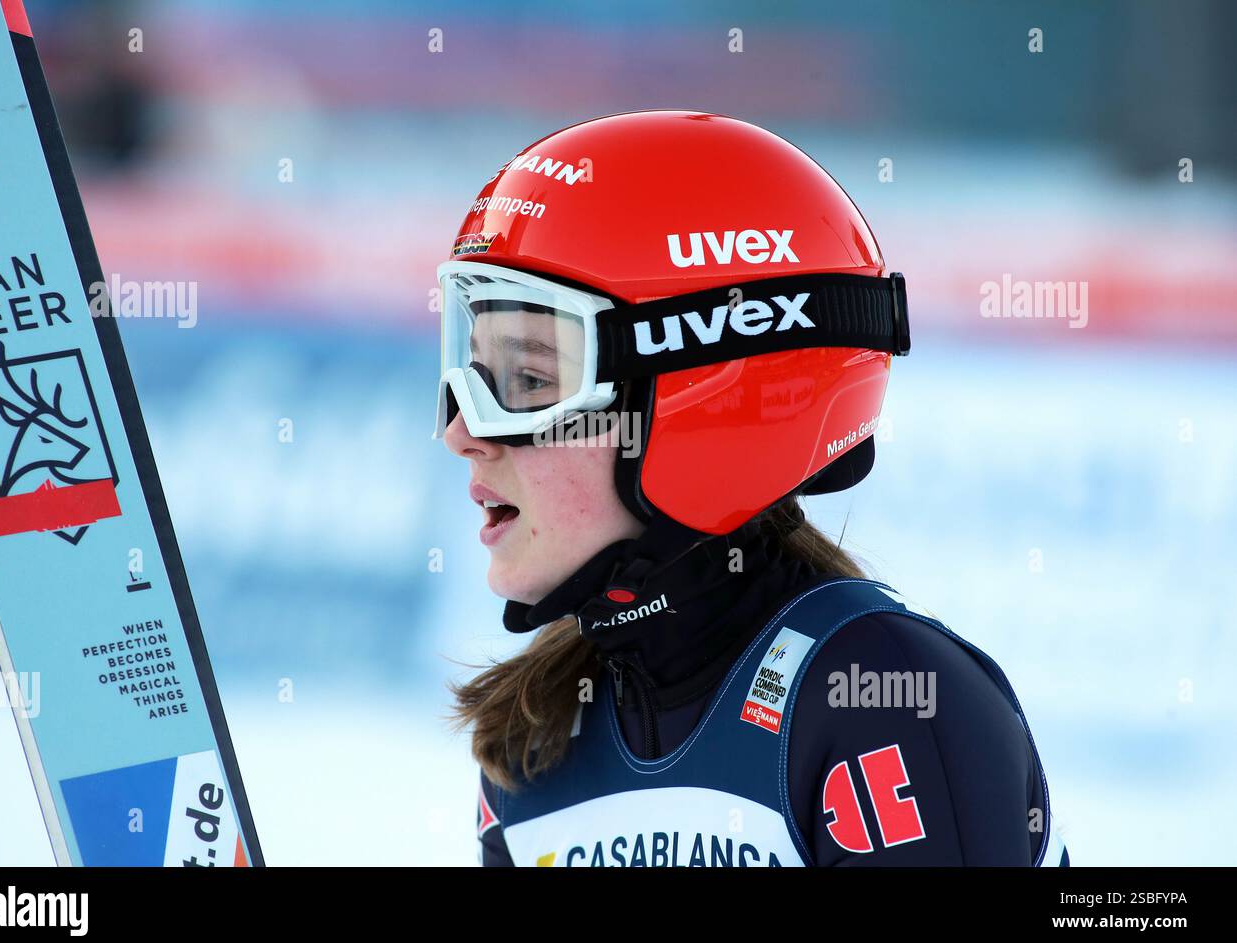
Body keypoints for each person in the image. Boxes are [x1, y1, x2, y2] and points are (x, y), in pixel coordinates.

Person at [437, 110, 1069, 867]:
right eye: (469, 372)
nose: (462, 432)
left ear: (697, 400)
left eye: (529, 380)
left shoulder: (881, 703)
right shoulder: (535, 745)